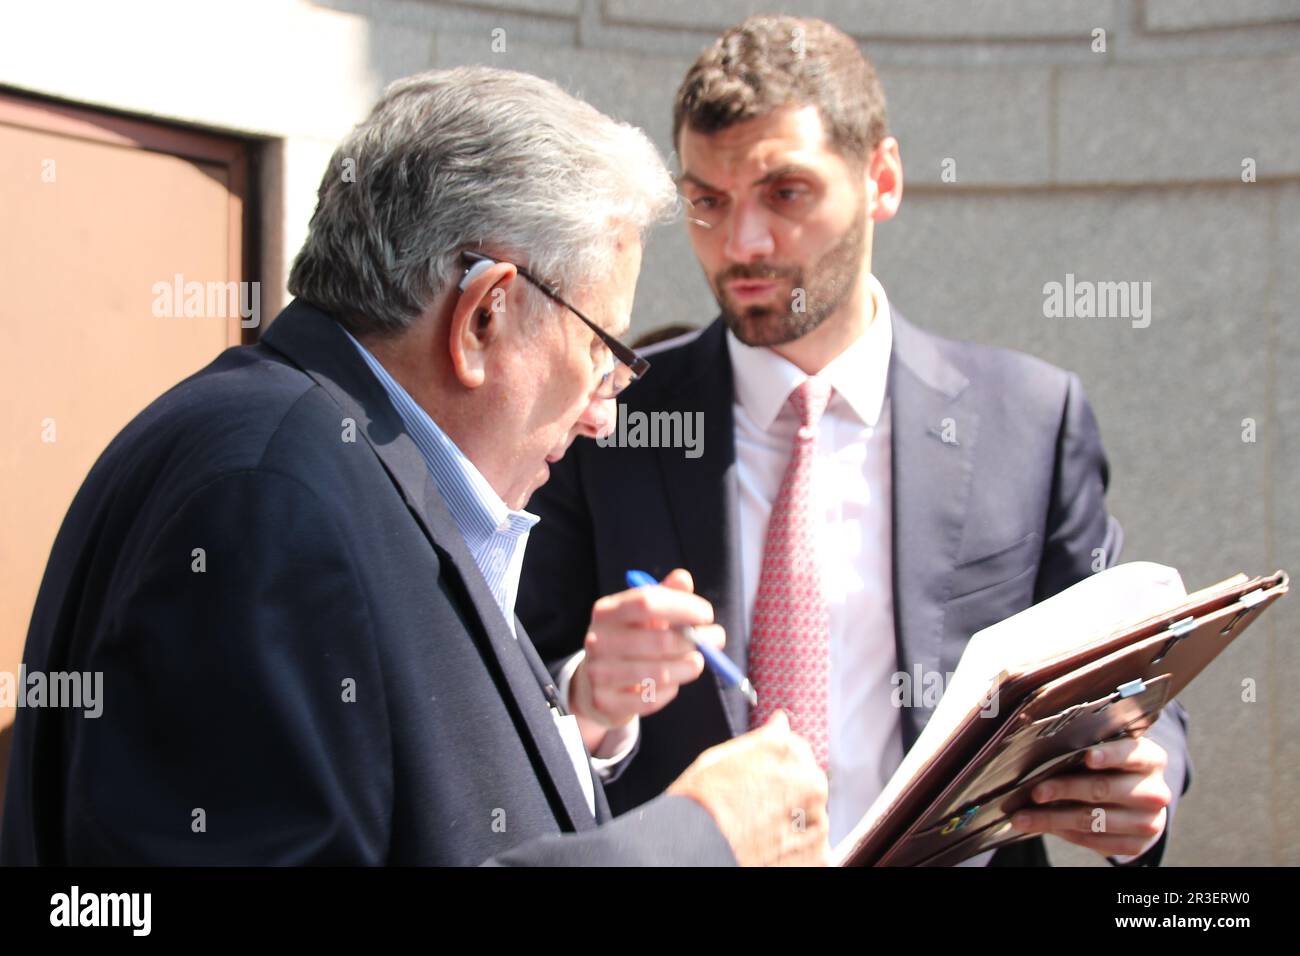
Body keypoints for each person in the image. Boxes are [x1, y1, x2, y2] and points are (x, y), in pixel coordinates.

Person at [0, 66, 830, 866]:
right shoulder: (272, 505)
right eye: (599, 351)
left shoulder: (325, 465)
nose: (603, 413)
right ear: (483, 316)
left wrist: (580, 718)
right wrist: (701, 843)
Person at [518, 15, 1190, 866]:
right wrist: (590, 694)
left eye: (785, 193)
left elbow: (1133, 671)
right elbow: (509, 687)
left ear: (882, 178)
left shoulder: (1031, 418)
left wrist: (1139, 780)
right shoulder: (608, 415)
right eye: (707, 202)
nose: (741, 244)